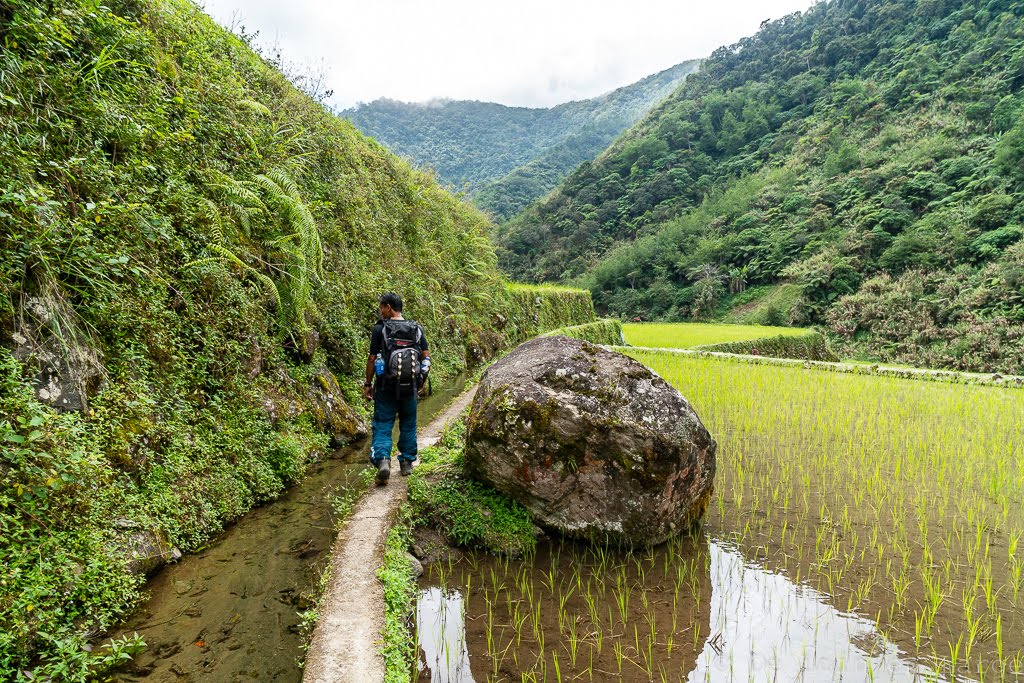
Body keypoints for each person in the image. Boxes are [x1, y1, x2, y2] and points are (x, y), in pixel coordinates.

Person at [363, 292, 430, 485]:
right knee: (409, 422)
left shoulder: (380, 329)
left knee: (383, 424)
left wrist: (368, 384)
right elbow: (425, 357)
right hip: (410, 386)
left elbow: (372, 358)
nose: (380, 310)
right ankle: (407, 462)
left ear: (389, 307)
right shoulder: (416, 328)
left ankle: (383, 460)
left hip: (385, 387)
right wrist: (421, 380)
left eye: (381, 307)